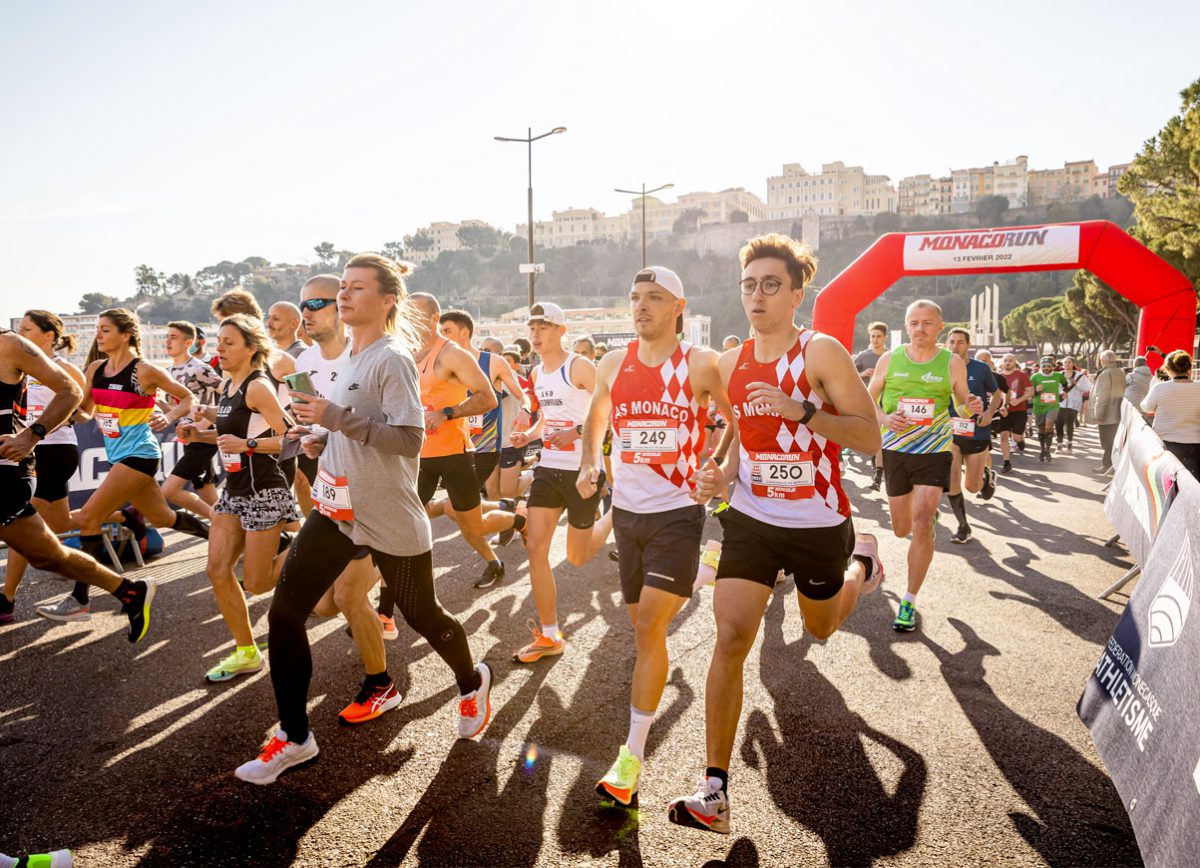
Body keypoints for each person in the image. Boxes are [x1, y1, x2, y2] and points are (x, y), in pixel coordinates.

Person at [235, 253, 493, 786]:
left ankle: (471, 682)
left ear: (387, 299)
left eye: (355, 288)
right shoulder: (350, 354)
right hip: (335, 512)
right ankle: (295, 736)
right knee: (284, 614)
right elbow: (352, 427)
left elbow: (409, 441)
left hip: (389, 517)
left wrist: (336, 418)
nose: (344, 296)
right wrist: (320, 435)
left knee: (425, 615)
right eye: (342, 288)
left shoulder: (391, 358)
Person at [667, 235, 884, 834]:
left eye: (770, 285)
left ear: (796, 292)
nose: (757, 296)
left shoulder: (823, 353)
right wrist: (719, 474)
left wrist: (805, 413)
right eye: (748, 285)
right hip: (754, 520)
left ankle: (861, 567)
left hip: (818, 523)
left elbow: (870, 436)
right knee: (731, 635)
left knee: (820, 627)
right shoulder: (731, 364)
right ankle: (715, 792)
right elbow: (743, 438)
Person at [576, 266, 736, 807]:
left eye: (654, 298)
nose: (641, 307)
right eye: (635, 297)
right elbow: (597, 416)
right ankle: (705, 569)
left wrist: (717, 468)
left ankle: (630, 762)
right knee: (644, 630)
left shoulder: (700, 364)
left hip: (676, 511)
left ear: (678, 307)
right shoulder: (612, 363)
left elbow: (738, 423)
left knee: (647, 627)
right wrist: (589, 463)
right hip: (627, 513)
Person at [35, 309, 209, 622]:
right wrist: (56, 420)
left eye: (105, 330)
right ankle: (222, 535)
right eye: (98, 329)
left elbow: (186, 399)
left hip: (140, 453)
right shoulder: (95, 369)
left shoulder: (143, 371)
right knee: (163, 516)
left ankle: (80, 600)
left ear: (125, 334)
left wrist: (167, 417)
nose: (98, 335)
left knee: (89, 517)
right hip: (118, 454)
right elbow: (86, 412)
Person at [0, 327, 156, 641]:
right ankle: (128, 591)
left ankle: (127, 592)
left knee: (48, 557)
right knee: (51, 549)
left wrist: (31, 435)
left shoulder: (8, 344)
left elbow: (70, 390)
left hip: (6, 474)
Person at [178, 315, 299, 682]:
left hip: (265, 489)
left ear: (251, 347)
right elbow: (230, 429)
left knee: (258, 583)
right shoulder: (231, 385)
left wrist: (248, 445)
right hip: (234, 491)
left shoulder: (258, 386)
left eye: (229, 342)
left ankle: (316, 552)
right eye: (219, 341)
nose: (220, 348)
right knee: (216, 570)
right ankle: (246, 651)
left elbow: (295, 438)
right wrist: (197, 434)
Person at [390, 293, 520, 594]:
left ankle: (515, 520)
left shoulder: (452, 354)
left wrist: (448, 413)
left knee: (472, 527)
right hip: (417, 456)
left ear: (435, 319)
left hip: (454, 455)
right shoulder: (404, 352)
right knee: (404, 523)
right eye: (404, 313)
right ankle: (388, 601)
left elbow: (487, 398)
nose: (406, 319)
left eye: (415, 314)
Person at [866, 300, 981, 632]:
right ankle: (923, 519)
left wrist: (970, 405)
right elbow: (867, 399)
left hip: (934, 449)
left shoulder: (952, 363)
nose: (920, 329)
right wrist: (886, 418)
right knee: (902, 528)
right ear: (906, 326)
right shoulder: (890, 359)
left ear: (939, 327)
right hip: (897, 450)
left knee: (922, 523)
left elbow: (961, 405)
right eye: (914, 323)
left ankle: (908, 601)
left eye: (927, 323)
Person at [508, 301, 611, 663]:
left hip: (583, 470)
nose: (535, 335)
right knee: (535, 548)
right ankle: (550, 635)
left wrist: (579, 431)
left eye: (544, 327)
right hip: (549, 469)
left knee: (576, 556)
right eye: (532, 328)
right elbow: (547, 419)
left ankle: (615, 515)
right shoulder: (537, 374)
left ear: (561, 331)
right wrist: (530, 436)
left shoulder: (579, 366)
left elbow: (613, 408)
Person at [1, 312, 85, 622]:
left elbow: (85, 411)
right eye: (19, 328)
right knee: (61, 524)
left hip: (55, 448)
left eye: (27, 329)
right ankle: (119, 517)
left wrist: (43, 423)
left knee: (19, 526)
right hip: (28, 452)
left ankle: (6, 598)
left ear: (49, 335)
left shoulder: (64, 369)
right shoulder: (18, 364)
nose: (21, 333)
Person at [292, 275, 351, 515]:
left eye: (315, 304)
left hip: (368, 474)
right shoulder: (303, 360)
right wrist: (312, 440)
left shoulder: (366, 354)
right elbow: (308, 420)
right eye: (302, 306)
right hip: (327, 473)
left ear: (341, 307)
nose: (305, 313)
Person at [944, 330, 1003, 543]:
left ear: (968, 345)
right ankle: (963, 526)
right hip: (950, 432)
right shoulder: (941, 367)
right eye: (951, 342)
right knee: (952, 478)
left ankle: (986, 475)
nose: (955, 346)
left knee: (972, 487)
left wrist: (989, 413)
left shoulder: (980, 368)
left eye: (960, 342)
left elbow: (997, 394)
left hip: (977, 431)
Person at [160, 320, 222, 520]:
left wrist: (208, 416)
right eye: (167, 336)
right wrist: (160, 406)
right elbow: (176, 409)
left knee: (169, 492)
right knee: (205, 491)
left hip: (204, 436)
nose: (168, 341)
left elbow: (228, 392)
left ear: (188, 343)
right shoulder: (168, 373)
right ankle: (230, 530)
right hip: (188, 436)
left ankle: (224, 523)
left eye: (174, 337)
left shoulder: (199, 368)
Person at [1141, 350, 1200, 477]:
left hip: (1166, 445)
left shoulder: (1159, 388)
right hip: (1195, 445)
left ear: (1167, 369)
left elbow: (1146, 408)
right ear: (1190, 368)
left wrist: (1155, 382)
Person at [854, 321, 888, 490]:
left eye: (878, 336)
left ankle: (878, 476)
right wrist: (862, 373)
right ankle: (875, 458)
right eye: (872, 336)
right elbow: (848, 375)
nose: (875, 340)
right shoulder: (863, 356)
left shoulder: (890, 356)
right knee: (875, 439)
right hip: (867, 402)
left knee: (881, 440)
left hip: (886, 404)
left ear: (885, 338)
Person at [995, 353, 1033, 473]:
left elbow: (1030, 391)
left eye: (1010, 361)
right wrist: (1000, 406)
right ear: (1002, 362)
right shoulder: (998, 376)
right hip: (1004, 411)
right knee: (1004, 437)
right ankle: (1006, 462)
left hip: (1019, 410)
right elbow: (995, 394)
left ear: (1014, 362)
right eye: (1005, 360)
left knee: (1016, 437)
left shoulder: (1021, 375)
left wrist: (1018, 400)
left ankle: (1020, 440)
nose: (1007, 363)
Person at [1091, 350, 1127, 474]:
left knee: (1106, 442)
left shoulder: (1105, 373)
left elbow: (1102, 395)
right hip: (1118, 411)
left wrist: (1098, 413)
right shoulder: (1120, 372)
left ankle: (1107, 465)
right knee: (1113, 441)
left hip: (1107, 413)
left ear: (1102, 361)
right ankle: (1111, 465)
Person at [1030, 355, 1067, 463]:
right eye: (1044, 366)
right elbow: (1030, 392)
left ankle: (1048, 450)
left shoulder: (1058, 376)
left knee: (1049, 425)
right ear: (1041, 366)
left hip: (1053, 405)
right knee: (1041, 428)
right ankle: (1042, 450)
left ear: (1053, 366)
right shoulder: (1034, 377)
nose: (1046, 368)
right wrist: (1036, 391)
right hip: (1039, 406)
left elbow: (1064, 385)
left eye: (1048, 366)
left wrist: (1063, 392)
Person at [1056, 357, 1091, 452]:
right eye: (1065, 362)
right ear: (1062, 364)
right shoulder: (1058, 375)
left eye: (1069, 362)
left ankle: (1069, 443)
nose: (1067, 364)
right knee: (1059, 423)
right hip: (1061, 403)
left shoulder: (1079, 376)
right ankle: (1059, 444)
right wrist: (1060, 392)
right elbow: (1055, 387)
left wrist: (1076, 384)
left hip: (1074, 403)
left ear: (1073, 363)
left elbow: (1087, 387)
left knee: (1069, 424)